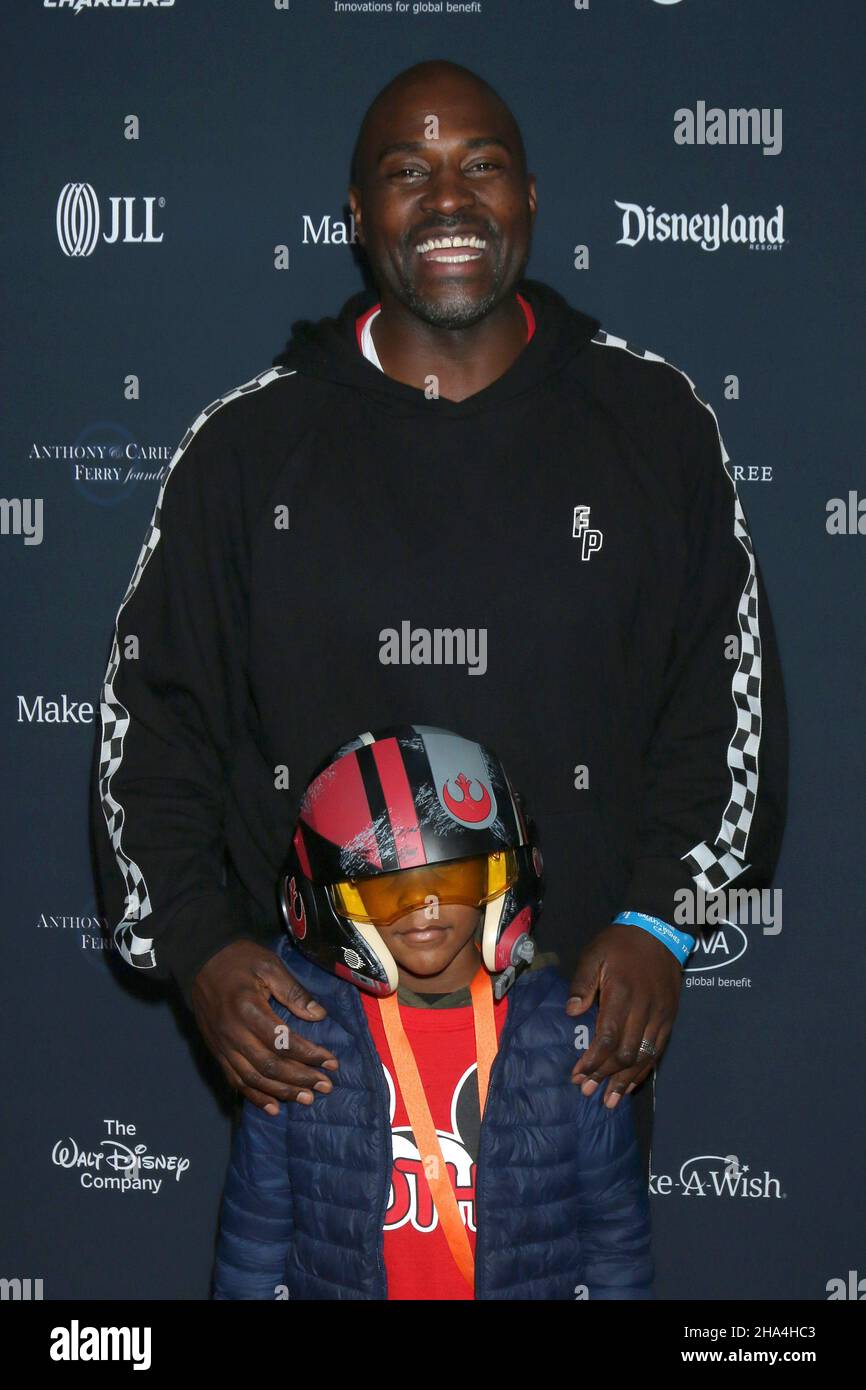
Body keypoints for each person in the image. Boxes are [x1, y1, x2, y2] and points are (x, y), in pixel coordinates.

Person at [90, 59, 788, 1183]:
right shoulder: (244, 450)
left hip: (568, 1066)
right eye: (408, 171)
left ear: (527, 200)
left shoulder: (651, 423)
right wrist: (201, 948)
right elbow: (152, 726)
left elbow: (725, 706)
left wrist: (663, 920)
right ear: (357, 217)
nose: (450, 198)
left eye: (482, 167)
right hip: (318, 1071)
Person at [212, 725, 654, 1300]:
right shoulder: (297, 1036)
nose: (424, 908)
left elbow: (614, 1241)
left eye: (449, 878)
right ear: (339, 902)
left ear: (501, 877)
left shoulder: (570, 1033)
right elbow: (256, 1238)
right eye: (388, 888)